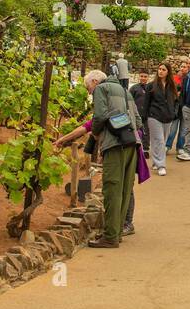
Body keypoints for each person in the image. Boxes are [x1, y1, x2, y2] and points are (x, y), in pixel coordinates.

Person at [57, 69, 141, 248]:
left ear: (95, 81)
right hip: (132, 143)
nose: (89, 93)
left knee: (112, 189)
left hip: (115, 145)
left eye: (88, 88)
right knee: (125, 189)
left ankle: (110, 237)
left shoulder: (101, 90)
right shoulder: (125, 91)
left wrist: (96, 134)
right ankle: (116, 232)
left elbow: (100, 116)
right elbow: (139, 121)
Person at [135, 63, 178, 175]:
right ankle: (161, 166)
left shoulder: (172, 85)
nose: (160, 71)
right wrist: (144, 118)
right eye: (159, 69)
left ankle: (155, 161)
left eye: (163, 69)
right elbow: (146, 103)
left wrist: (174, 112)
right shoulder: (151, 86)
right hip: (154, 116)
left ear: (168, 71)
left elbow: (176, 100)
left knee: (159, 141)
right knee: (159, 140)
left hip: (168, 117)